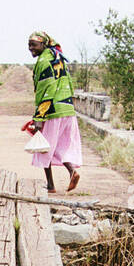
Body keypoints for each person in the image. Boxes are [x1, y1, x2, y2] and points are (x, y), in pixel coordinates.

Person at [22, 31, 82, 192]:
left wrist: (39, 116)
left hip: (53, 110)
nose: (30, 49)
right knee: (56, 145)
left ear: (43, 44)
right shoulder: (58, 57)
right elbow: (68, 82)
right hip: (67, 108)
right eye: (29, 45)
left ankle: (51, 184)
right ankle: (70, 172)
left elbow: (46, 89)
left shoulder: (44, 61)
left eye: (33, 45)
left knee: (44, 146)